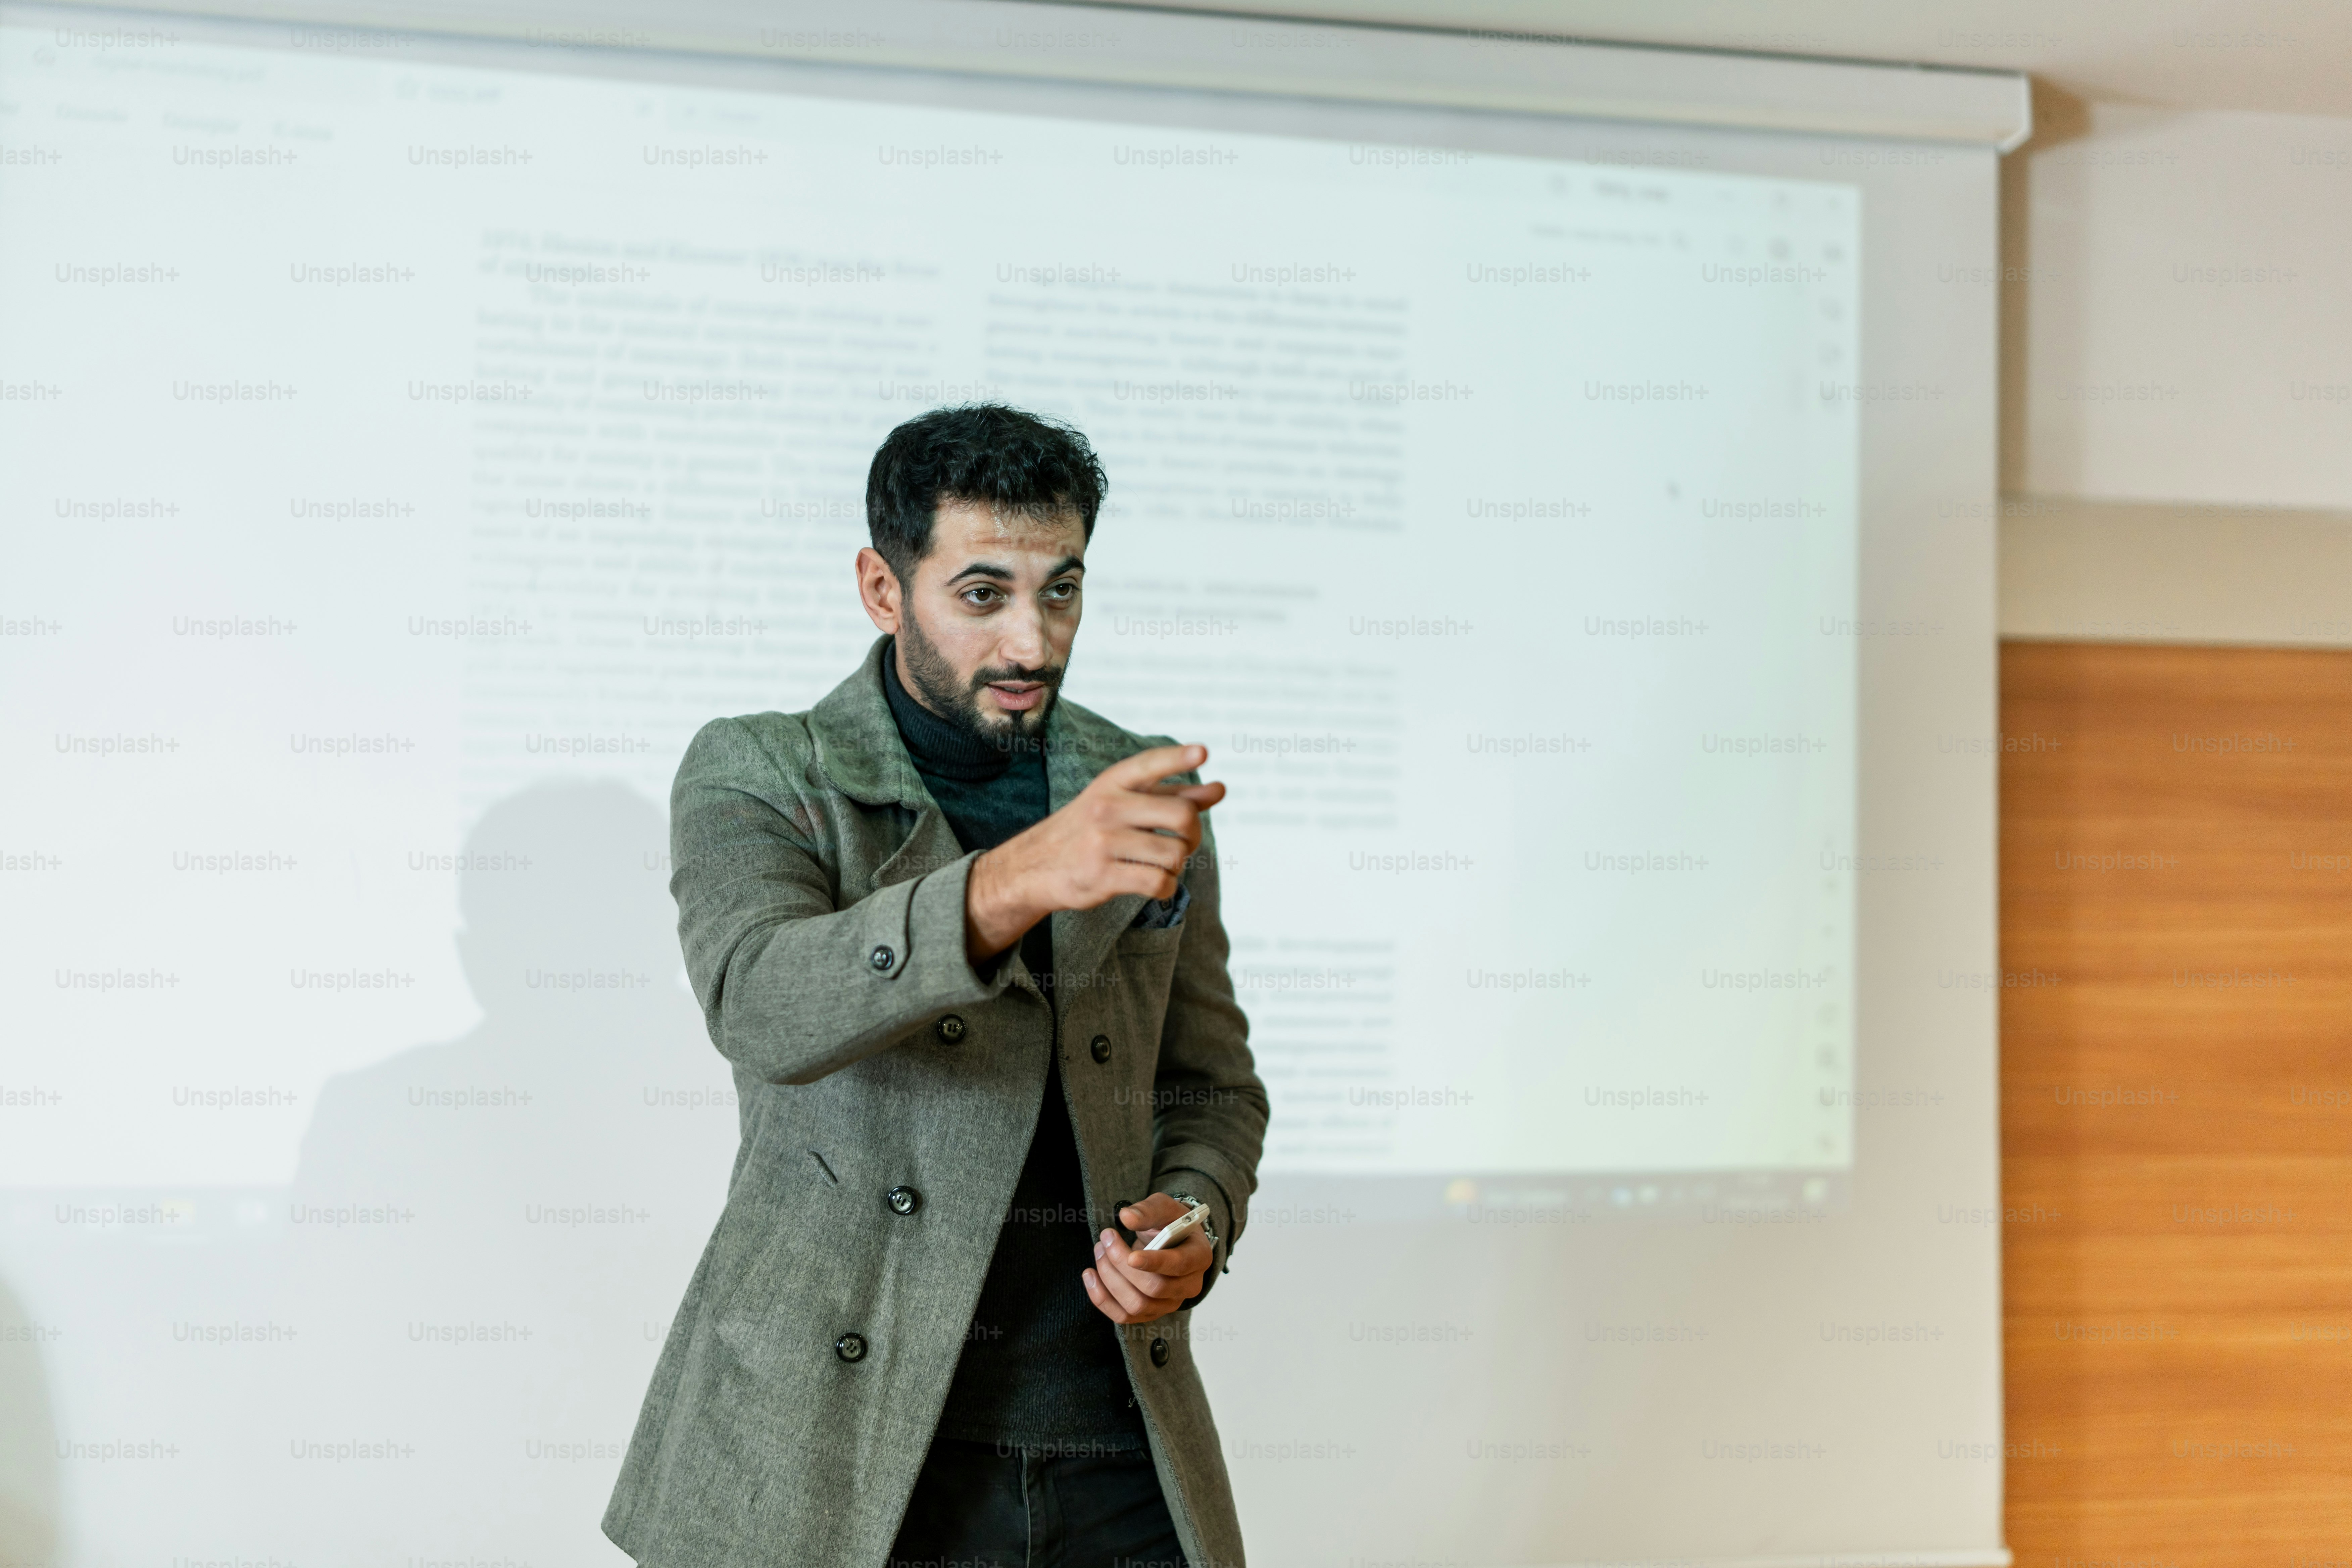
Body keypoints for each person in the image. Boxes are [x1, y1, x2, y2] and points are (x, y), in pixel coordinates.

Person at [603, 404, 1268, 1568]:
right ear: (881, 586)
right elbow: (762, 1003)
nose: (1033, 642)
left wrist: (1196, 1218)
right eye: (982, 594)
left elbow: (1210, 1088)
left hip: (1117, 1449)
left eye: (1062, 590)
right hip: (844, 1453)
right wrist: (1013, 880)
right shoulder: (766, 770)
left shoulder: (1133, 786)